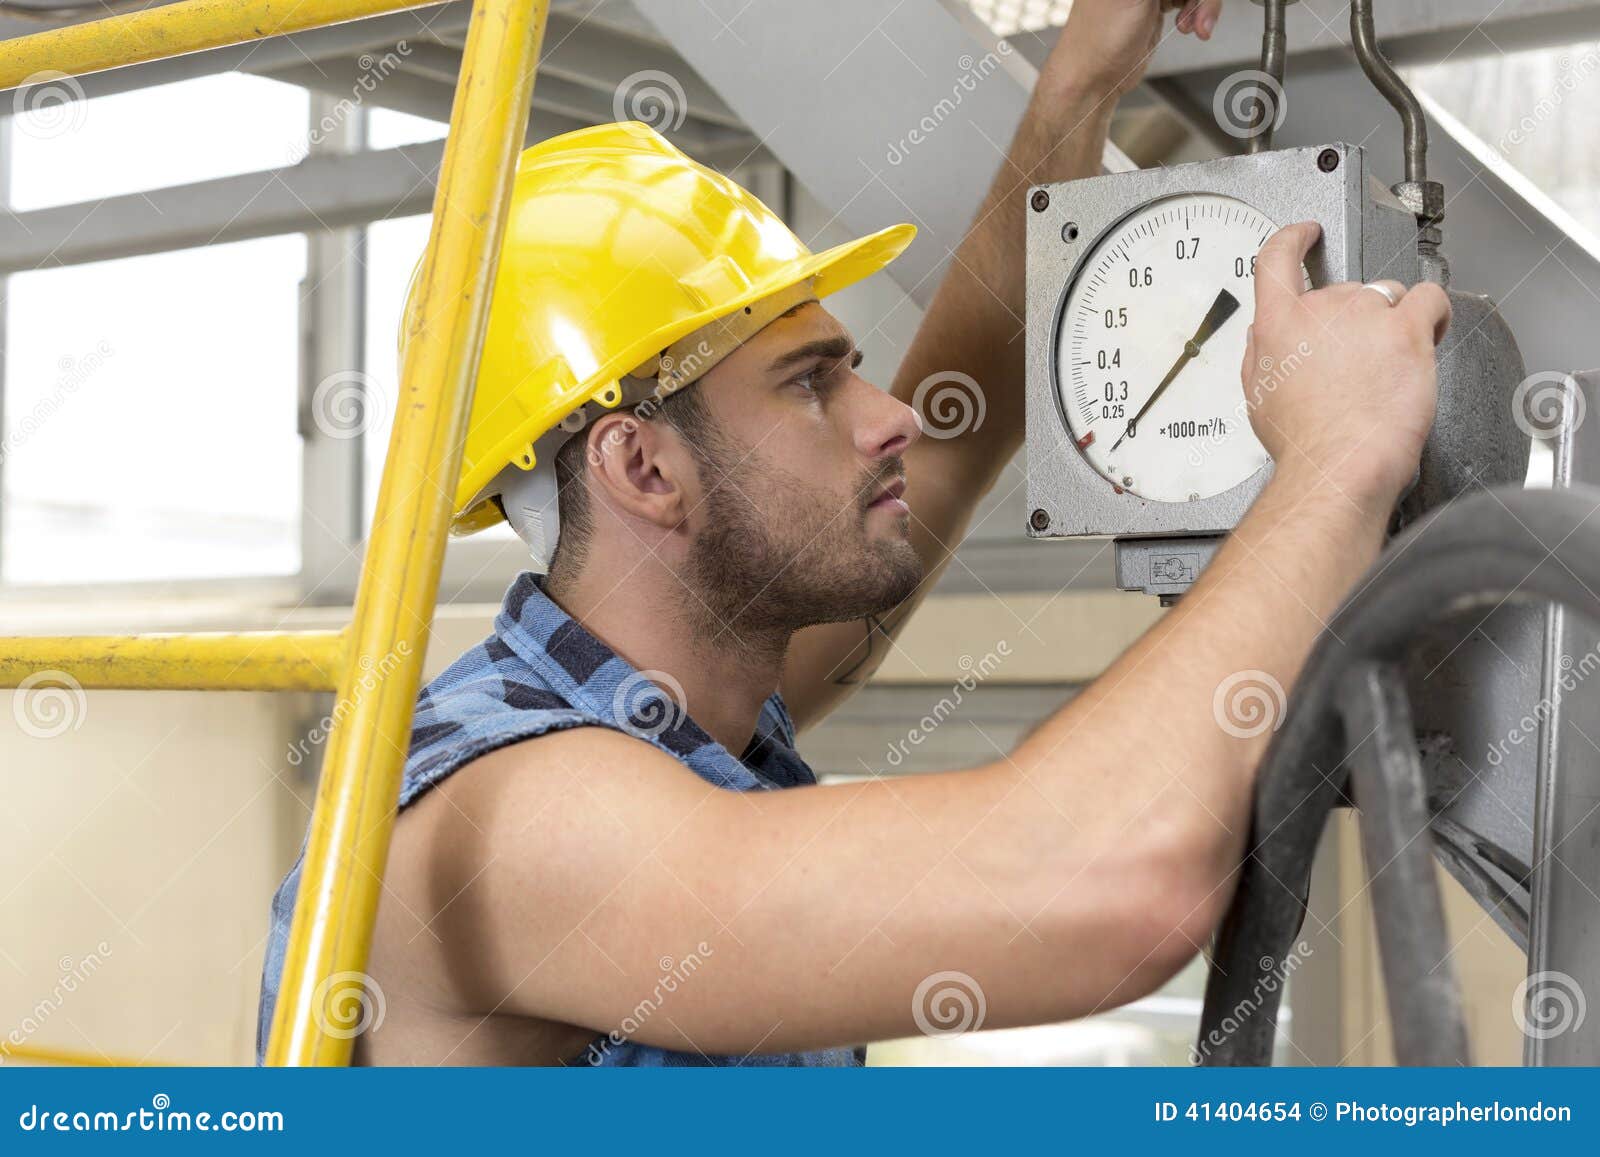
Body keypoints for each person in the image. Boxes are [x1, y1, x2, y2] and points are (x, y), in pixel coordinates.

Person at [258, 0, 1451, 1065]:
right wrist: (1339, 456)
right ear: (642, 465)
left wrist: (1078, 83)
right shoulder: (514, 818)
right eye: (809, 382)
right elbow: (1106, 885)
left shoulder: (688, 695)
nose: (888, 415)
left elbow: (958, 422)